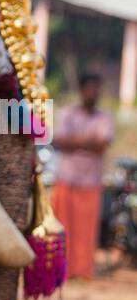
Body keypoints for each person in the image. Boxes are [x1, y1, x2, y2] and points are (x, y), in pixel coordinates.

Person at [52, 72, 114, 280]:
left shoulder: (104, 117)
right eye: (90, 88)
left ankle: (82, 270)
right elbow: (59, 141)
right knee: (62, 227)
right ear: (81, 90)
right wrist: (88, 141)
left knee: (86, 231)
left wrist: (76, 141)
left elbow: (102, 145)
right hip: (67, 179)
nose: (94, 93)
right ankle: (61, 269)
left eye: (97, 89)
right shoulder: (67, 113)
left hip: (91, 182)